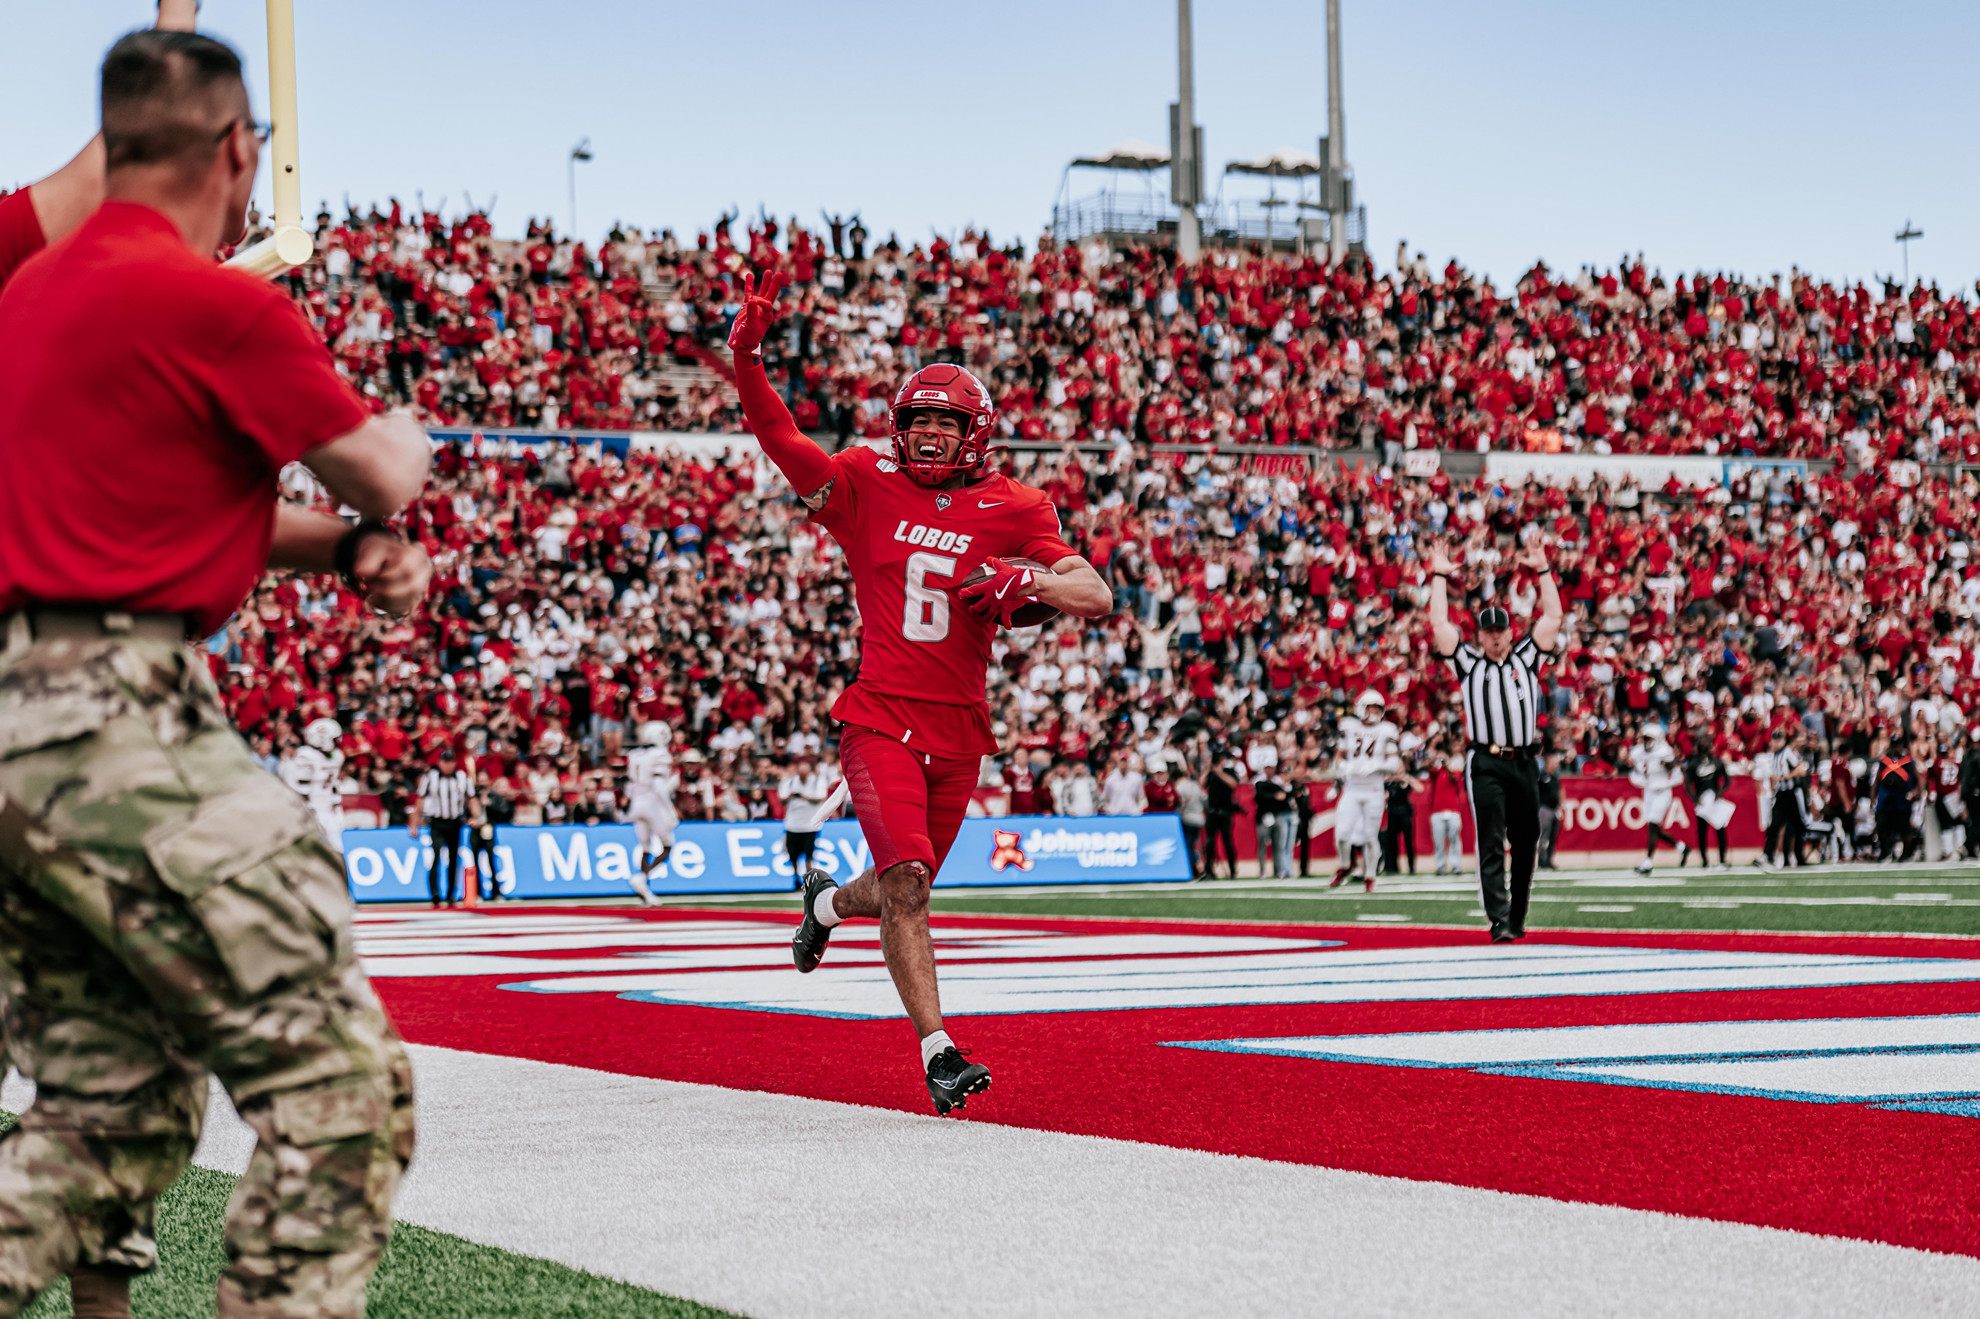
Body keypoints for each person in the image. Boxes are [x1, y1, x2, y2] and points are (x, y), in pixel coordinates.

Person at [0, 29, 429, 1318]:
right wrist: (393, 460)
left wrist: (344, 554)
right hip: (115, 719)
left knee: (108, 1113)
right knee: (341, 1085)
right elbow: (383, 469)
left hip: (19, 720)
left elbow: (151, 511)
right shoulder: (216, 300)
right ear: (238, 150)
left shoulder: (30, 300)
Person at [730, 270, 1112, 1114]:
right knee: (905, 881)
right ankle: (939, 1051)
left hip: (961, 731)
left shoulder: (1016, 505)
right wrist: (748, 358)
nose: (931, 436)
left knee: (906, 886)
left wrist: (1030, 582)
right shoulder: (866, 481)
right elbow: (780, 437)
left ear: (974, 431)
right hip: (879, 718)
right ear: (899, 428)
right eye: (920, 421)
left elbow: (1095, 593)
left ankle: (825, 903)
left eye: (946, 422)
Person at [1428, 538, 1563, 943]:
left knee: (1526, 842)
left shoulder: (1526, 656)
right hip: (1486, 762)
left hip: (1524, 761)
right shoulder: (1468, 663)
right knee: (1490, 840)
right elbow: (1438, 624)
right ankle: (1499, 920)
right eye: (1488, 633)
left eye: (1500, 630)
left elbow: (1553, 616)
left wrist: (1542, 570)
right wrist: (1437, 575)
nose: (1495, 638)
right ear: (1481, 637)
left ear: (1509, 630)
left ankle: (1518, 916)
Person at [1331, 689, 1400, 891]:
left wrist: (1377, 766)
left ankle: (1370, 876)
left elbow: (1395, 764)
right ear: (1361, 708)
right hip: (1352, 788)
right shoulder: (1349, 727)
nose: (1376, 711)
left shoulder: (1387, 729)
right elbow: (1339, 757)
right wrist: (1344, 768)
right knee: (1342, 835)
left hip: (1374, 789)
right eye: (1372, 707)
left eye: (1379, 708)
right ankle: (1346, 865)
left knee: (1371, 836)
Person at [624, 720, 680, 903]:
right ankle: (642, 878)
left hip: (636, 802)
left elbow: (630, 784)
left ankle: (645, 892)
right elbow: (658, 786)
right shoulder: (660, 755)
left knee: (646, 847)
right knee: (667, 845)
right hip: (652, 803)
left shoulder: (635, 755)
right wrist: (670, 809)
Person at [411, 748, 473, 906]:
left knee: (453, 858)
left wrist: (475, 816)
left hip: (455, 822)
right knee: (437, 855)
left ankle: (452, 893)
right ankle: (435, 893)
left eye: (450, 762)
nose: (447, 766)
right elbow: (420, 800)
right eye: (445, 762)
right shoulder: (431, 778)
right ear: (439, 763)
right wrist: (414, 822)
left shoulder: (462, 778)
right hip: (437, 822)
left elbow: (471, 799)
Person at [280, 716, 347, 852]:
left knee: (337, 841)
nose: (337, 742)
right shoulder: (305, 755)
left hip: (326, 804)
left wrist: (336, 803)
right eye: (334, 739)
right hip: (310, 805)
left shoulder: (337, 756)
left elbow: (333, 782)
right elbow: (299, 784)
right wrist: (306, 804)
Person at [1628, 724, 1689, 874]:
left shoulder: (1664, 752)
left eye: (1649, 739)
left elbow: (1676, 774)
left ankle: (1648, 862)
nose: (1646, 742)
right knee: (1654, 828)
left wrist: (1667, 773)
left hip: (1662, 791)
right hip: (1648, 791)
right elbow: (1636, 769)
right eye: (1645, 738)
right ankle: (1682, 847)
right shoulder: (1637, 752)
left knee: (1653, 825)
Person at [780, 762, 848, 883]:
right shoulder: (789, 782)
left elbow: (821, 797)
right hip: (793, 824)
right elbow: (782, 799)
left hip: (810, 825)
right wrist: (791, 796)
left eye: (805, 774)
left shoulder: (817, 781)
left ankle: (808, 880)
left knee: (809, 855)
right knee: (793, 854)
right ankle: (796, 878)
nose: (803, 777)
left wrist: (804, 796)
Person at [1685, 741, 1732, 869]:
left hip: (1714, 800)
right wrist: (1695, 798)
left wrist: (1719, 793)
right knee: (1702, 831)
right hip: (1702, 802)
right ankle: (1705, 860)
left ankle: (1722, 859)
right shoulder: (1694, 764)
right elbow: (1687, 784)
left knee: (1719, 829)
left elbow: (1727, 781)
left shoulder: (1716, 762)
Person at [1202, 752, 1243, 879]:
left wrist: (1219, 772)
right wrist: (1208, 768)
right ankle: (1209, 870)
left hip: (1225, 812)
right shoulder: (1211, 774)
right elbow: (1202, 783)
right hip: (1212, 811)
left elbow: (1233, 784)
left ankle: (1232, 870)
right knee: (1209, 843)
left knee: (1228, 843)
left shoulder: (1229, 771)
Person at [1426, 751, 1467, 875]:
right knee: (1438, 841)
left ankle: (1456, 866)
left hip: (1453, 811)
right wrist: (1435, 758)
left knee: (1454, 839)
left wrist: (1447, 766)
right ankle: (1440, 866)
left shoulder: (1455, 772)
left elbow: (1455, 779)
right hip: (1437, 811)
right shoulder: (1436, 772)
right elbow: (1427, 768)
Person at [1252, 769, 1293, 879]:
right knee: (1262, 844)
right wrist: (1274, 796)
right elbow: (1260, 796)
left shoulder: (1278, 782)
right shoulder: (1259, 782)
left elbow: (1285, 796)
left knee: (1278, 845)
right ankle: (1262, 871)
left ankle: (1278, 870)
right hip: (1264, 817)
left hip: (1277, 816)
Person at [1172, 761, 1208, 880]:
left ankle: (1196, 868)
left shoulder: (1179, 788)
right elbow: (1205, 799)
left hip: (1187, 819)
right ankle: (1199, 867)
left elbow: (1177, 804)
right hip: (1199, 818)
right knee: (1193, 845)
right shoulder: (1195, 785)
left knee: (1188, 846)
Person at [1535, 749, 1563, 870]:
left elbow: (1560, 790)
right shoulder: (1541, 777)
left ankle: (1549, 859)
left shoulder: (1555, 777)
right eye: (1554, 762)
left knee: (1553, 836)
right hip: (1544, 809)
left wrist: (1560, 805)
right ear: (1548, 762)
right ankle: (1542, 860)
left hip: (1554, 809)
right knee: (1543, 835)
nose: (1556, 764)